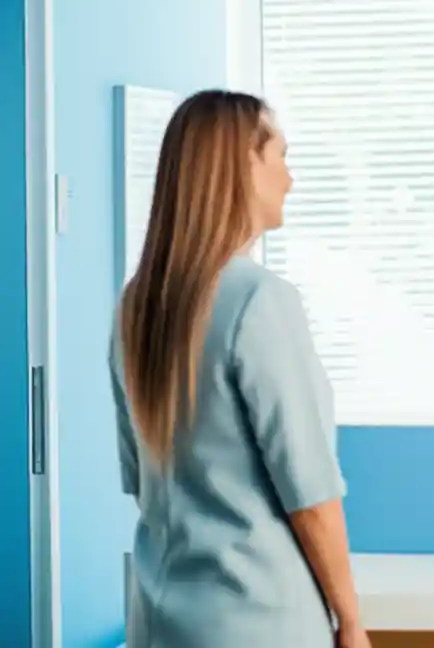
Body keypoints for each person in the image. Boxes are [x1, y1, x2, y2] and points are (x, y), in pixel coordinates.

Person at [109, 90, 370, 648]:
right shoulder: (259, 300)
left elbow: (140, 479)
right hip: (260, 621)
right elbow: (310, 493)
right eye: (281, 156)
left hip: (159, 619)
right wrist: (350, 620)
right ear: (242, 165)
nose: (290, 179)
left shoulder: (136, 305)